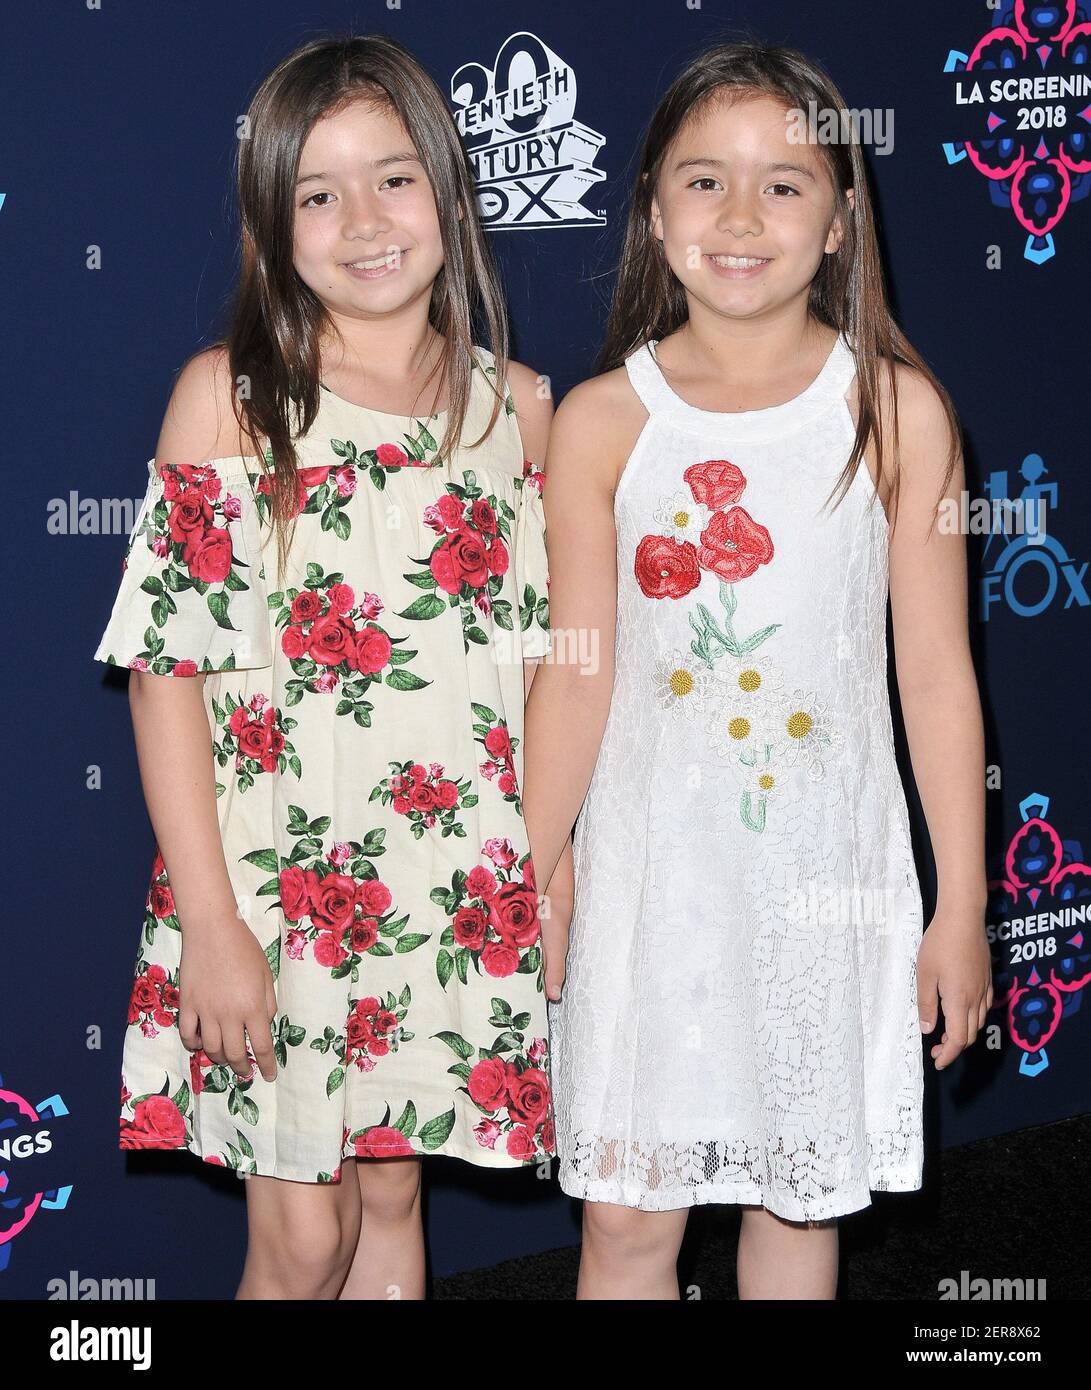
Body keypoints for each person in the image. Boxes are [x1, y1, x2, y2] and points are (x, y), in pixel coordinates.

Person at [93, 33, 573, 1300]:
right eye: (317, 193)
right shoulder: (232, 401)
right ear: (270, 230)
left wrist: (551, 871)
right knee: (303, 1239)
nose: (363, 219)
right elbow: (164, 674)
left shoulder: (519, 410)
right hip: (273, 898)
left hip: (448, 905)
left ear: (453, 198)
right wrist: (210, 925)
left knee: (394, 1195)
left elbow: (545, 672)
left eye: (393, 177)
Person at [522, 40, 993, 1300]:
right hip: (644, 884)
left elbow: (936, 679)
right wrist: (531, 865)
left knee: (798, 1201)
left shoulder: (895, 413)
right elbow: (575, 668)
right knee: (624, 1222)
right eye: (703, 181)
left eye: (783, 185)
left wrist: (960, 908)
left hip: (818, 890)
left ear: (841, 219)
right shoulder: (599, 421)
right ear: (651, 211)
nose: (740, 218)